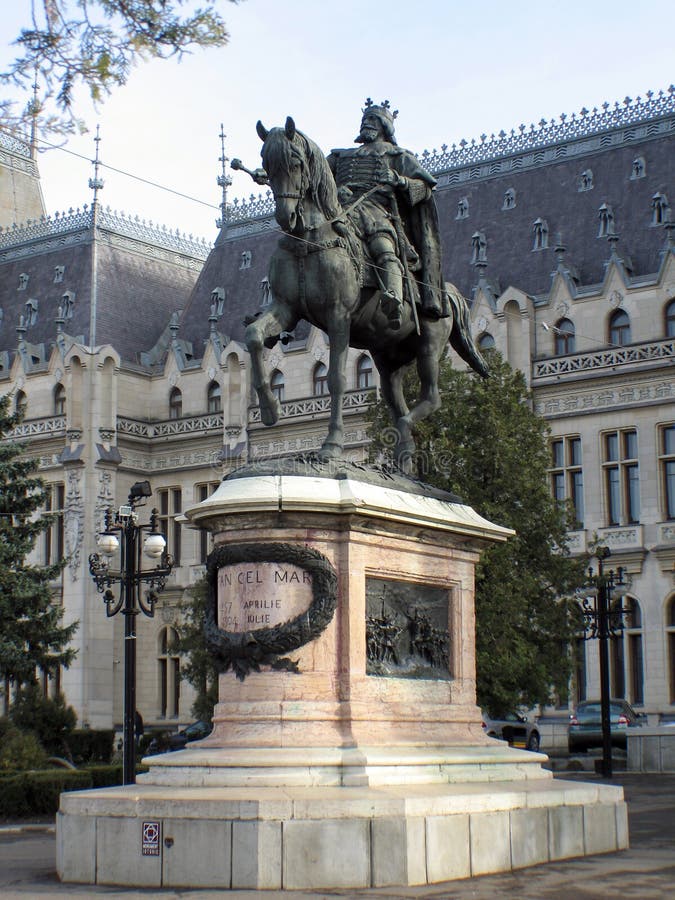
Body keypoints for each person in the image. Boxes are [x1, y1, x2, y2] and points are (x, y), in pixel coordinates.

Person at [327, 100, 449, 328]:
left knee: (382, 246)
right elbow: (314, 173)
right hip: (341, 210)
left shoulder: (397, 156)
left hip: (375, 212)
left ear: (385, 126)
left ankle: (393, 295)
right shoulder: (341, 156)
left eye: (373, 119)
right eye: (365, 119)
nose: (366, 123)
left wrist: (400, 180)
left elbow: (425, 187)